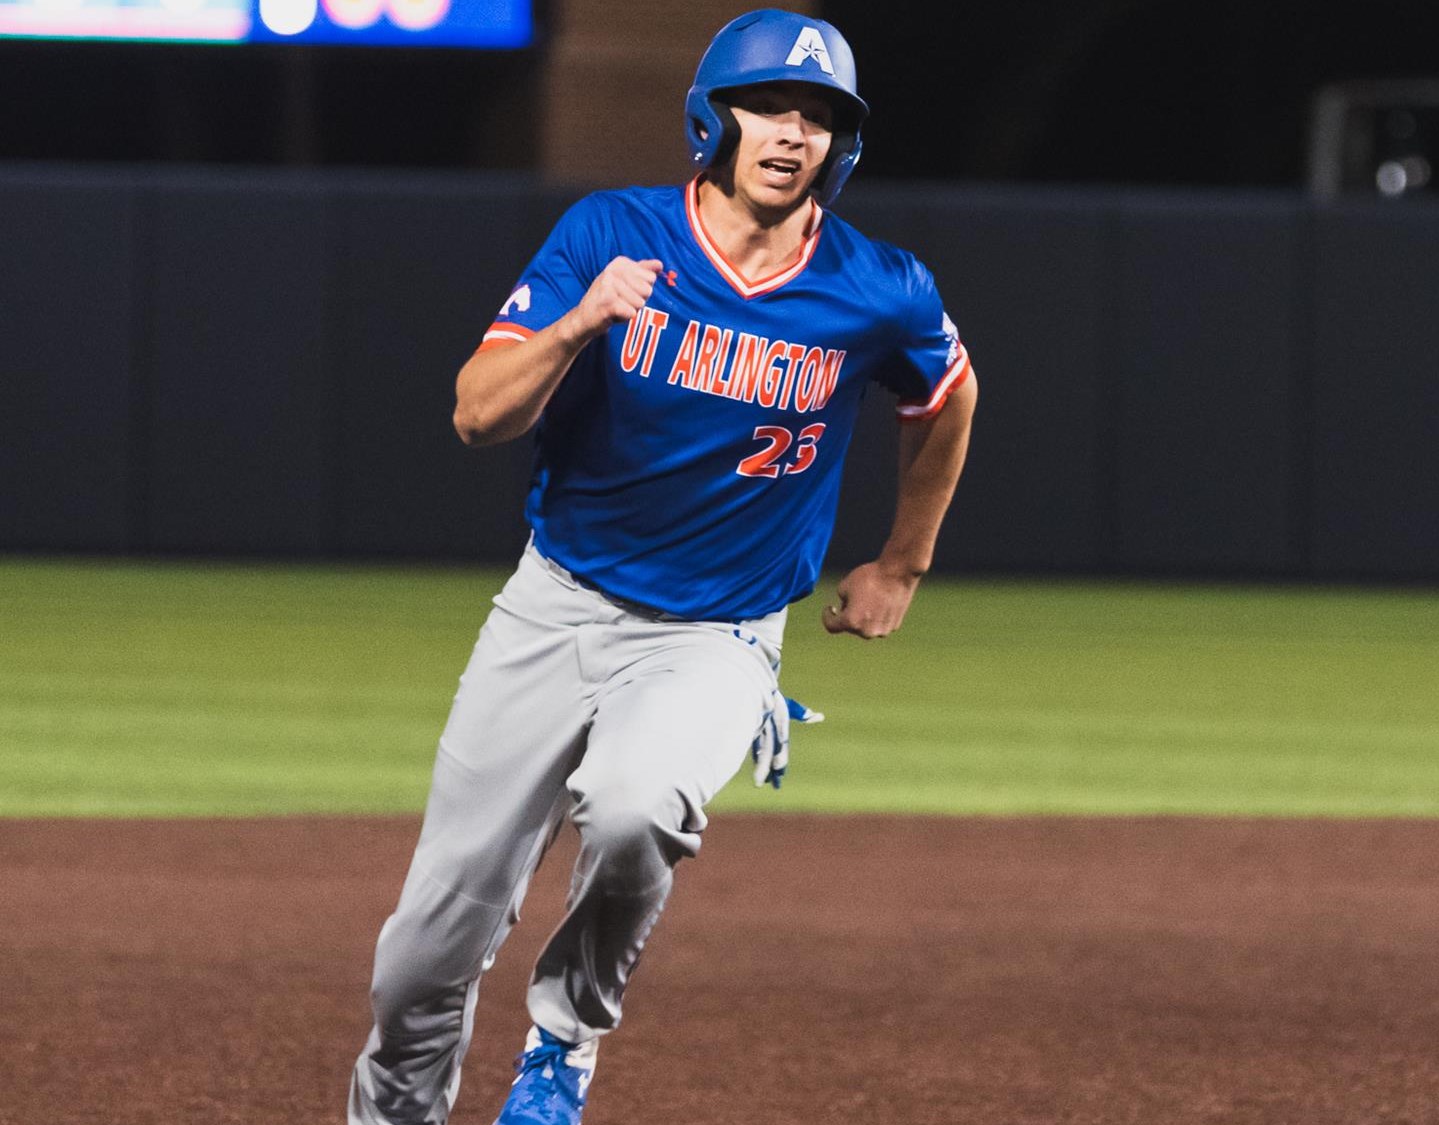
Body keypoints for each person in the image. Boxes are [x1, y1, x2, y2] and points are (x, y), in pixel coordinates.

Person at [346, 10, 978, 1124]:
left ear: (842, 144)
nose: (792, 133)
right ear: (711, 118)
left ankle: (563, 1039)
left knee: (638, 808)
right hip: (555, 608)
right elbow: (476, 414)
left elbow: (948, 397)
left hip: (716, 636)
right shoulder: (610, 234)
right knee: (421, 959)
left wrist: (903, 563)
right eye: (767, 106)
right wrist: (580, 322)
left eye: (818, 116)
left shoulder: (879, 287)